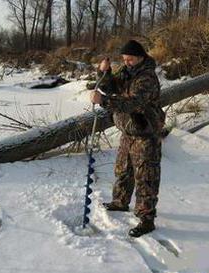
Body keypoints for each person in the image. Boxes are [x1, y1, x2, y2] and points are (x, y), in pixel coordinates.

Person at [90, 40, 165, 237]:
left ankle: (146, 219)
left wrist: (104, 101)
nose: (127, 62)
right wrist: (103, 73)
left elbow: (133, 103)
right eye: (124, 59)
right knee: (123, 170)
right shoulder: (126, 71)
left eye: (130, 59)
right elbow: (110, 86)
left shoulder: (147, 78)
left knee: (146, 178)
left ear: (140, 57)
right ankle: (120, 202)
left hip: (145, 133)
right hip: (128, 132)